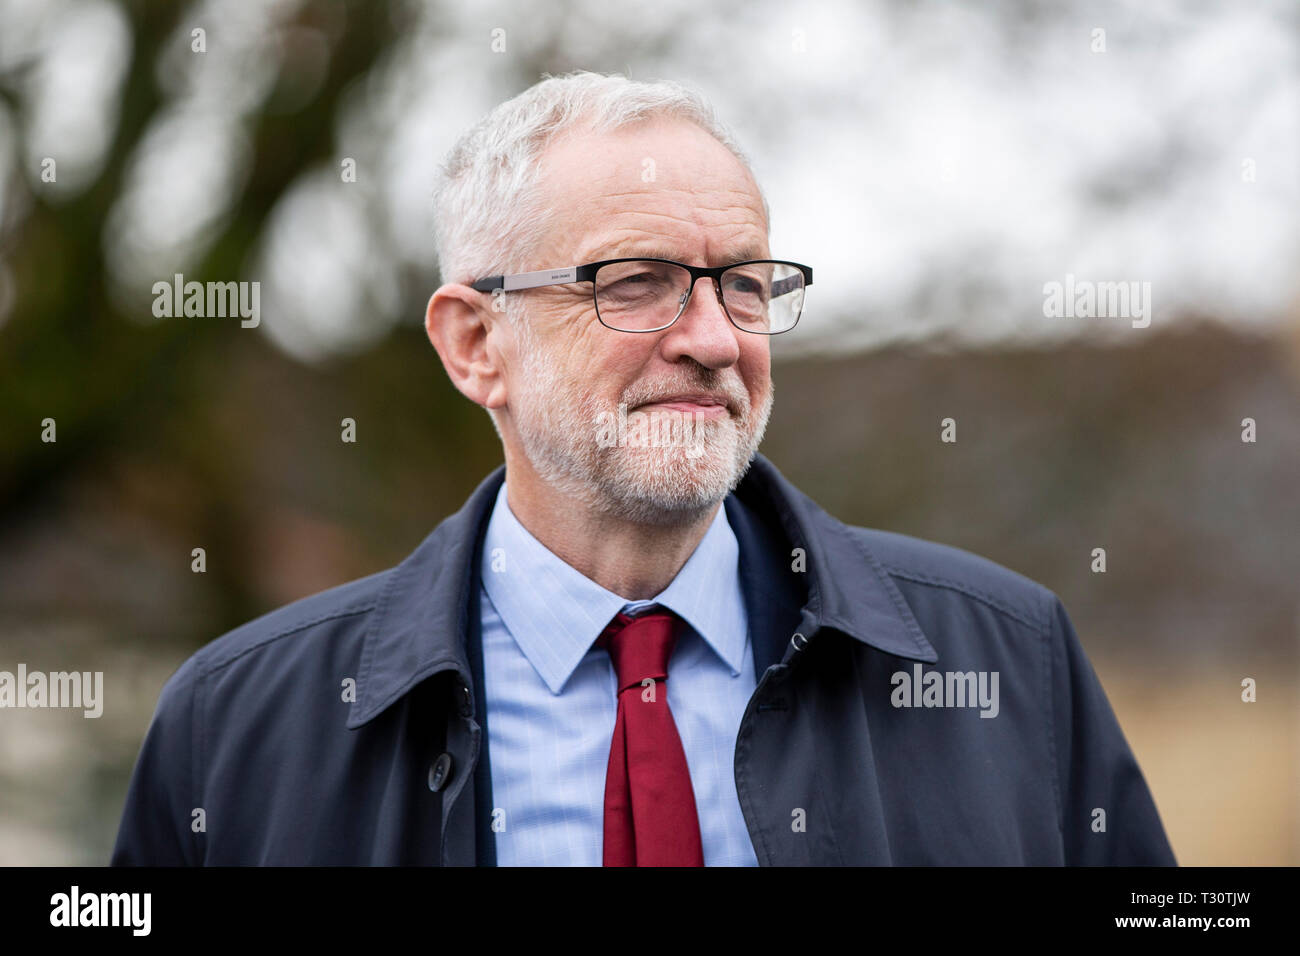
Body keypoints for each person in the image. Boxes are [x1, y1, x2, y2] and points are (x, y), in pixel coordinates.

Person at [111, 70, 1176, 866]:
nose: (714, 338)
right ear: (475, 344)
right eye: (638, 282)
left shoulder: (1005, 664)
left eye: (744, 285)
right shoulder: (238, 724)